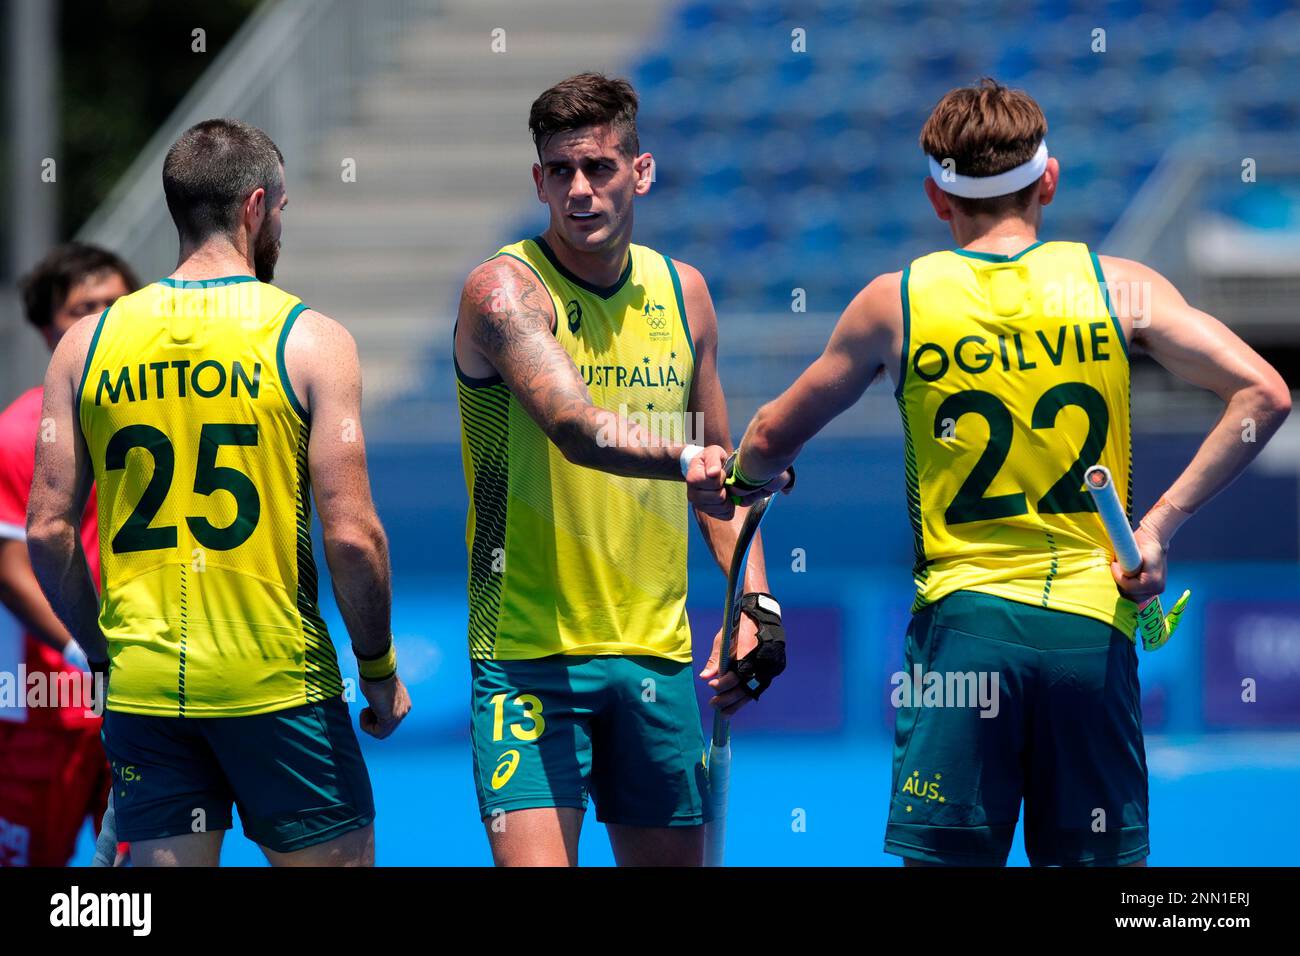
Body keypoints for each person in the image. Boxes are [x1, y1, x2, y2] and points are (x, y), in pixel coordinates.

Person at [724, 79, 1290, 866]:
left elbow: (771, 436)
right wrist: (1159, 527)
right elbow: (1264, 393)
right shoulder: (1116, 286)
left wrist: (745, 474)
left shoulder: (897, 303)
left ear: (935, 197)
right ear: (1048, 181)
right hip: (1089, 635)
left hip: (963, 633)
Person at [27, 118, 411, 867]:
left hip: (145, 687)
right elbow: (353, 535)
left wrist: (105, 655)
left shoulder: (87, 342)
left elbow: (47, 530)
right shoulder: (311, 339)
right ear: (256, 206)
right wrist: (378, 670)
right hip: (275, 680)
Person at [452, 73, 792, 866]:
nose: (580, 190)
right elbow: (575, 427)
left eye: (599, 167)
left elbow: (725, 484)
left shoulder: (685, 294)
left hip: (657, 659)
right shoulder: (502, 292)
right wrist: (688, 457)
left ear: (639, 171)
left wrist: (757, 602)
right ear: (537, 179)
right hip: (525, 657)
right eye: (560, 171)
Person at [0, 243, 137, 866]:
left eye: (118, 301)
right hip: (41, 712)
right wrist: (88, 651)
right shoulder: (20, 431)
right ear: (45, 325)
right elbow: (9, 572)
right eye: (86, 307)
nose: (106, 317)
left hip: (143, 708)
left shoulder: (166, 420)